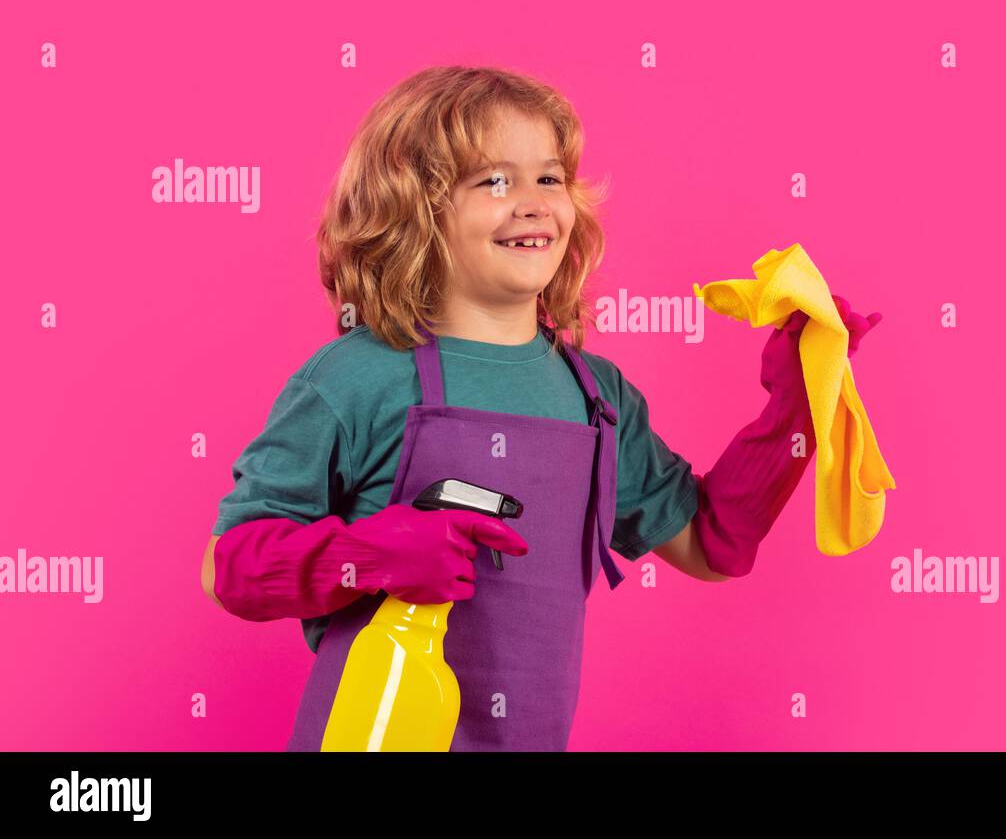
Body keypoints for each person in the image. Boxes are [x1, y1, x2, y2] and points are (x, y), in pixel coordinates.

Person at [197, 65, 874, 751]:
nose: (531, 202)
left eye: (548, 178)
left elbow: (712, 545)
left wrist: (798, 406)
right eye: (493, 180)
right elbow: (230, 568)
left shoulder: (597, 396)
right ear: (414, 207)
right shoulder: (357, 377)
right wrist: (369, 555)